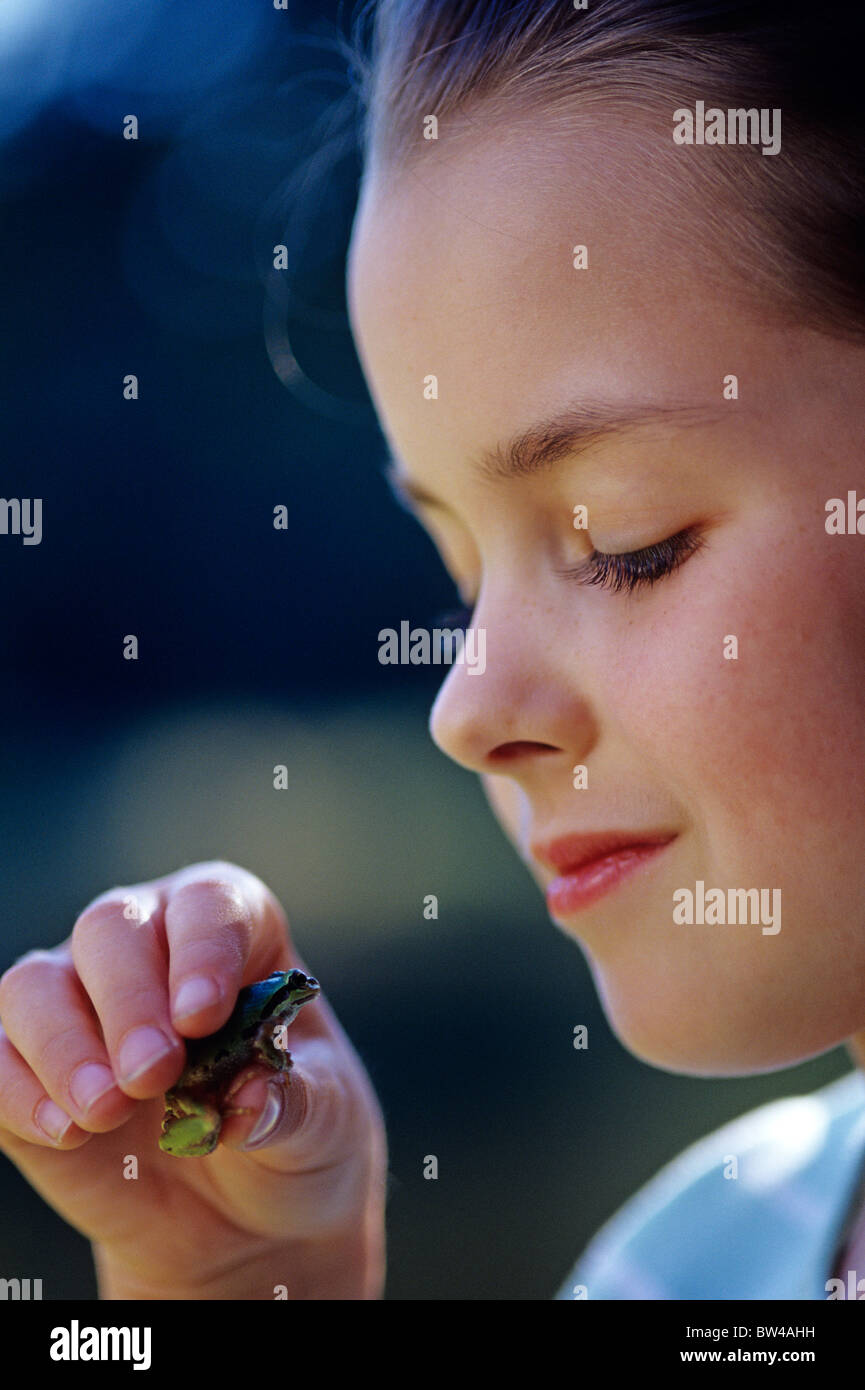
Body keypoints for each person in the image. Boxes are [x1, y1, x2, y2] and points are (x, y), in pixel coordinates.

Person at [2, 0, 865, 1301]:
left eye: (624, 542)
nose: (466, 710)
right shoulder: (692, 1267)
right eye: (462, 575)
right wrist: (247, 1282)